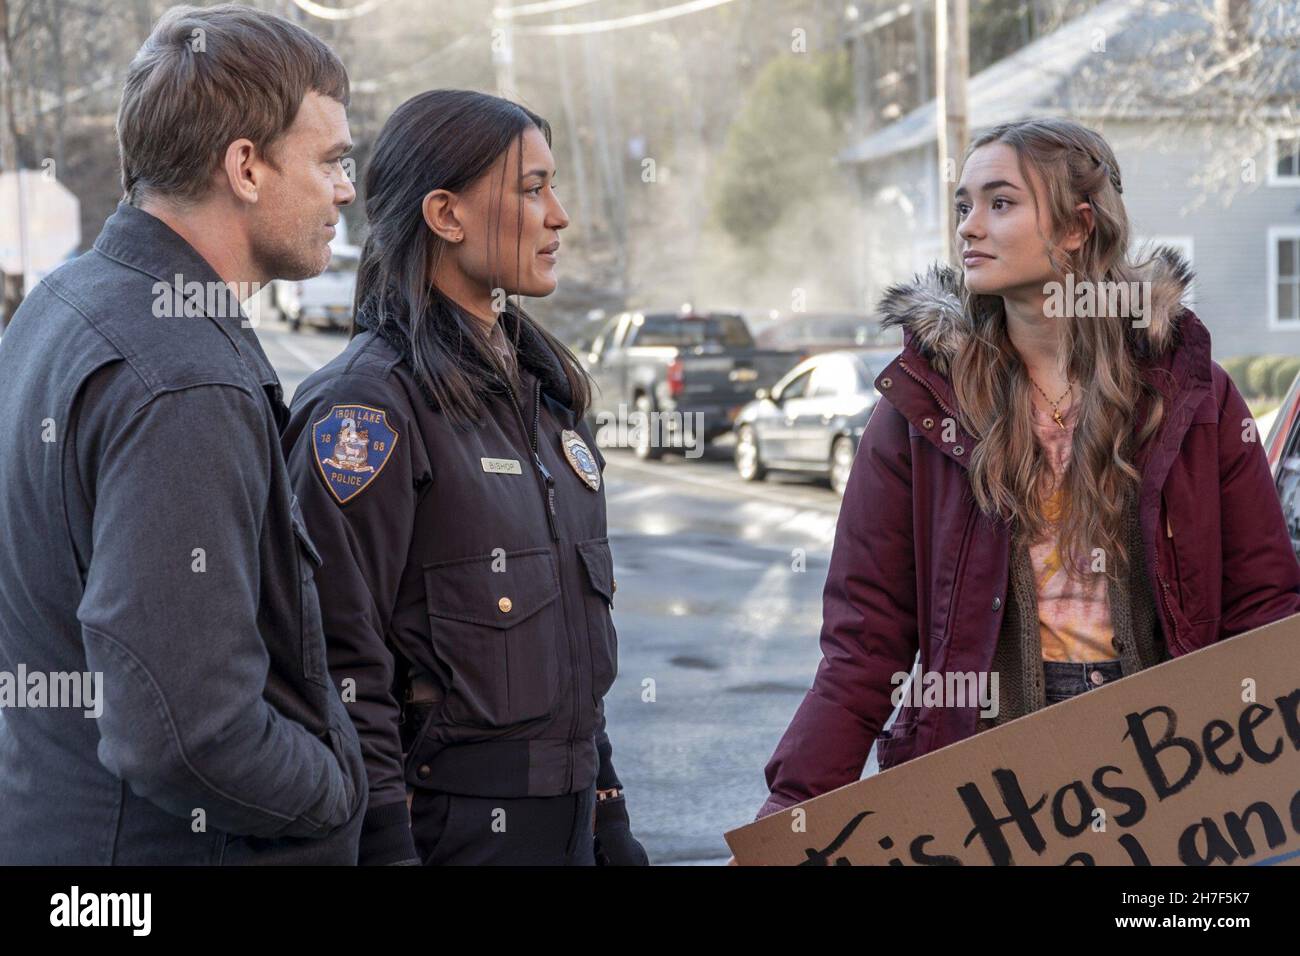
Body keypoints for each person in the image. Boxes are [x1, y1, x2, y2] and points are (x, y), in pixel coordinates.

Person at [754, 117, 1300, 822]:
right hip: (986, 755)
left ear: (1077, 227)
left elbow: (1263, 606)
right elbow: (865, 642)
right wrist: (792, 805)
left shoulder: (1190, 393)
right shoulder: (923, 406)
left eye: (999, 203)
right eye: (963, 205)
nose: (969, 227)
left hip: (1171, 755)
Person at [0, 4, 367, 863]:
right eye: (330, 161)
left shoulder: (59, 303)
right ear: (245, 166)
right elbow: (186, 735)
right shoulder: (183, 377)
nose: (346, 190)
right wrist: (336, 792)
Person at [283, 89, 649, 866]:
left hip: (571, 829)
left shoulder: (548, 400)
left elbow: (574, 671)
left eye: (553, 187)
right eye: (530, 188)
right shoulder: (367, 410)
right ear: (445, 215)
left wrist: (611, 828)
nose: (559, 215)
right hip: (451, 838)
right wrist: (384, 848)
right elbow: (339, 669)